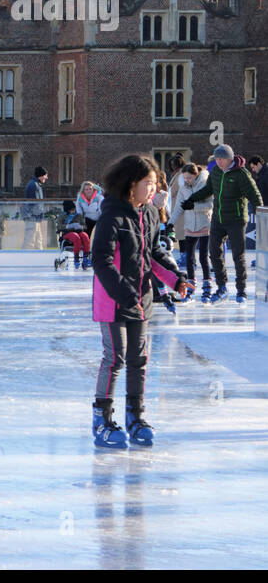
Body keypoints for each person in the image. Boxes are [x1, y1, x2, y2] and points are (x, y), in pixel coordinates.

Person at [90, 154, 190, 448]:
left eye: (157, 183)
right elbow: (101, 260)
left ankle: (135, 416)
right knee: (115, 357)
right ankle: (102, 419)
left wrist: (176, 279)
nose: (155, 189)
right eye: (150, 183)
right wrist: (124, 293)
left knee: (139, 359)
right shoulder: (112, 215)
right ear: (133, 184)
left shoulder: (147, 214)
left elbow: (153, 255)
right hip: (113, 300)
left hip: (141, 298)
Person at [180, 143, 263, 303]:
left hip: (236, 220)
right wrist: (192, 199)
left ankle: (241, 290)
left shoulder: (241, 174)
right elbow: (208, 189)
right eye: (216, 158)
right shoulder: (216, 172)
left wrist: (261, 214)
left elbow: (254, 194)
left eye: (221, 159)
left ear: (229, 158)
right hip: (218, 219)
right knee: (214, 253)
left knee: (238, 255)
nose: (218, 162)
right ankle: (222, 287)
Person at [170, 162, 212, 299]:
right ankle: (191, 284)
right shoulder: (183, 188)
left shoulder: (205, 184)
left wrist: (193, 206)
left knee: (203, 256)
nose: (187, 180)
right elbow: (179, 208)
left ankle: (207, 284)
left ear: (196, 175)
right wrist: (170, 223)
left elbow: (211, 204)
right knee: (189, 257)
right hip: (189, 226)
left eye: (189, 177)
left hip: (204, 224)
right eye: (185, 178)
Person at [22, 167, 48, 249]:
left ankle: (40, 258)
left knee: (38, 240)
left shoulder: (35, 184)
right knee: (30, 240)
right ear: (41, 175)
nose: (46, 178)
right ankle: (23, 259)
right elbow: (34, 204)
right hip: (32, 218)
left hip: (35, 218)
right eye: (45, 175)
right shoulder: (34, 185)